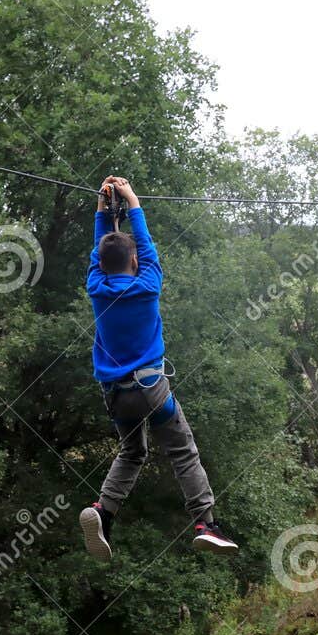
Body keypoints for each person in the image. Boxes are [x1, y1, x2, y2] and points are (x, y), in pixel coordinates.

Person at [78, 175, 237, 560]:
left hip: (116, 396)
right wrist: (132, 202)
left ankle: (104, 510)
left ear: (100, 264)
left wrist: (104, 208)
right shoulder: (148, 284)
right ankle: (206, 523)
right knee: (182, 451)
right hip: (152, 389)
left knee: (132, 451)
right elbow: (146, 249)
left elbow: (103, 253)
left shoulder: (96, 287)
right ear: (135, 262)